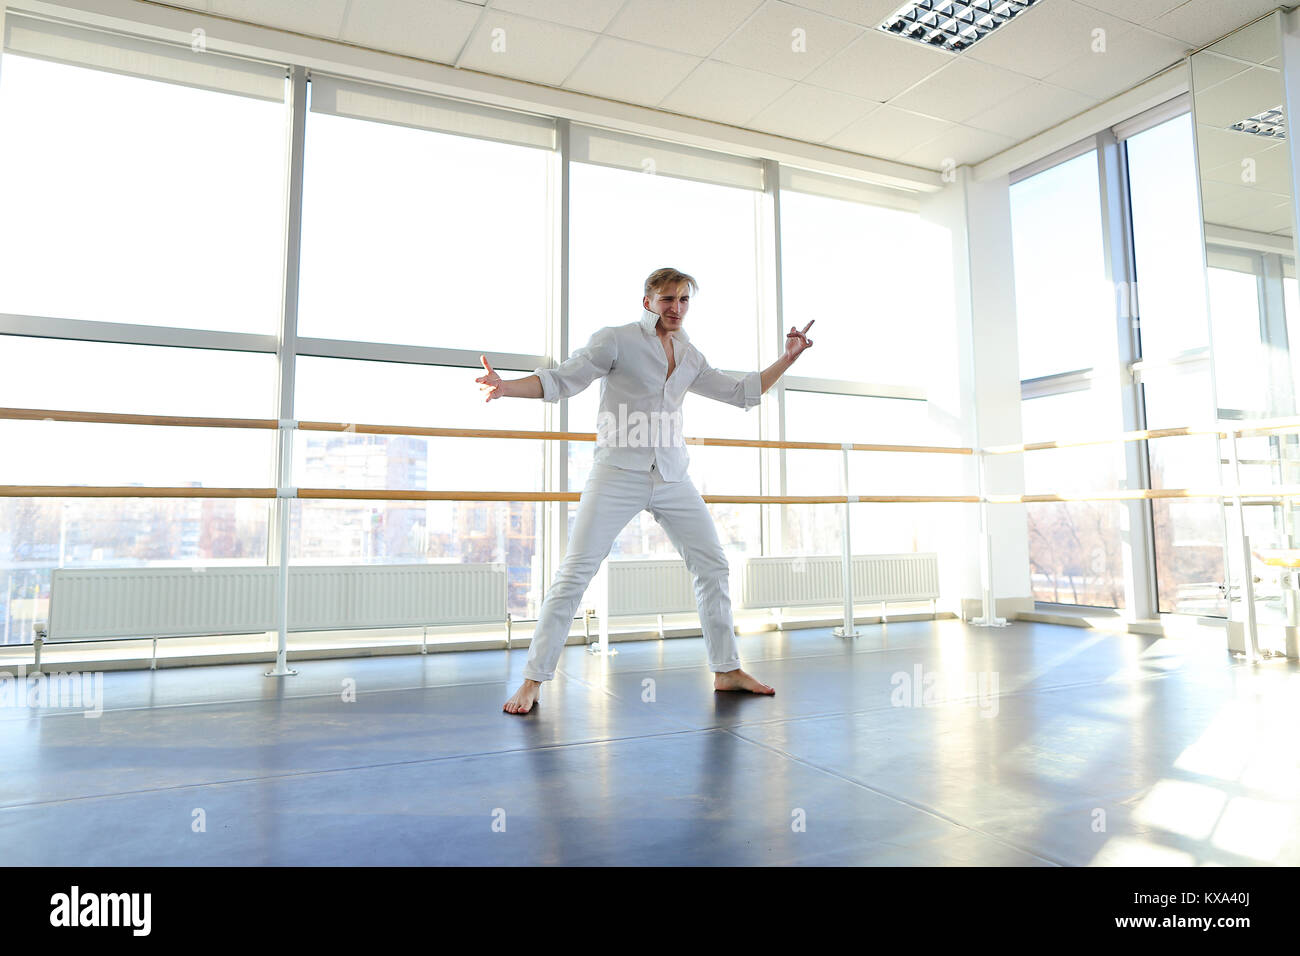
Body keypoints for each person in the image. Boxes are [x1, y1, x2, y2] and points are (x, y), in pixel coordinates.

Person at [476, 267, 814, 714]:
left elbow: (741, 393)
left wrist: (787, 358)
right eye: (667, 298)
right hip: (618, 472)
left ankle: (727, 669)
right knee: (575, 573)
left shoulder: (690, 355)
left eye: (683, 300)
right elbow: (564, 379)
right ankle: (533, 680)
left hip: (672, 476)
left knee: (712, 564)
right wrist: (507, 388)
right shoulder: (615, 340)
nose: (675, 308)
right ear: (648, 301)